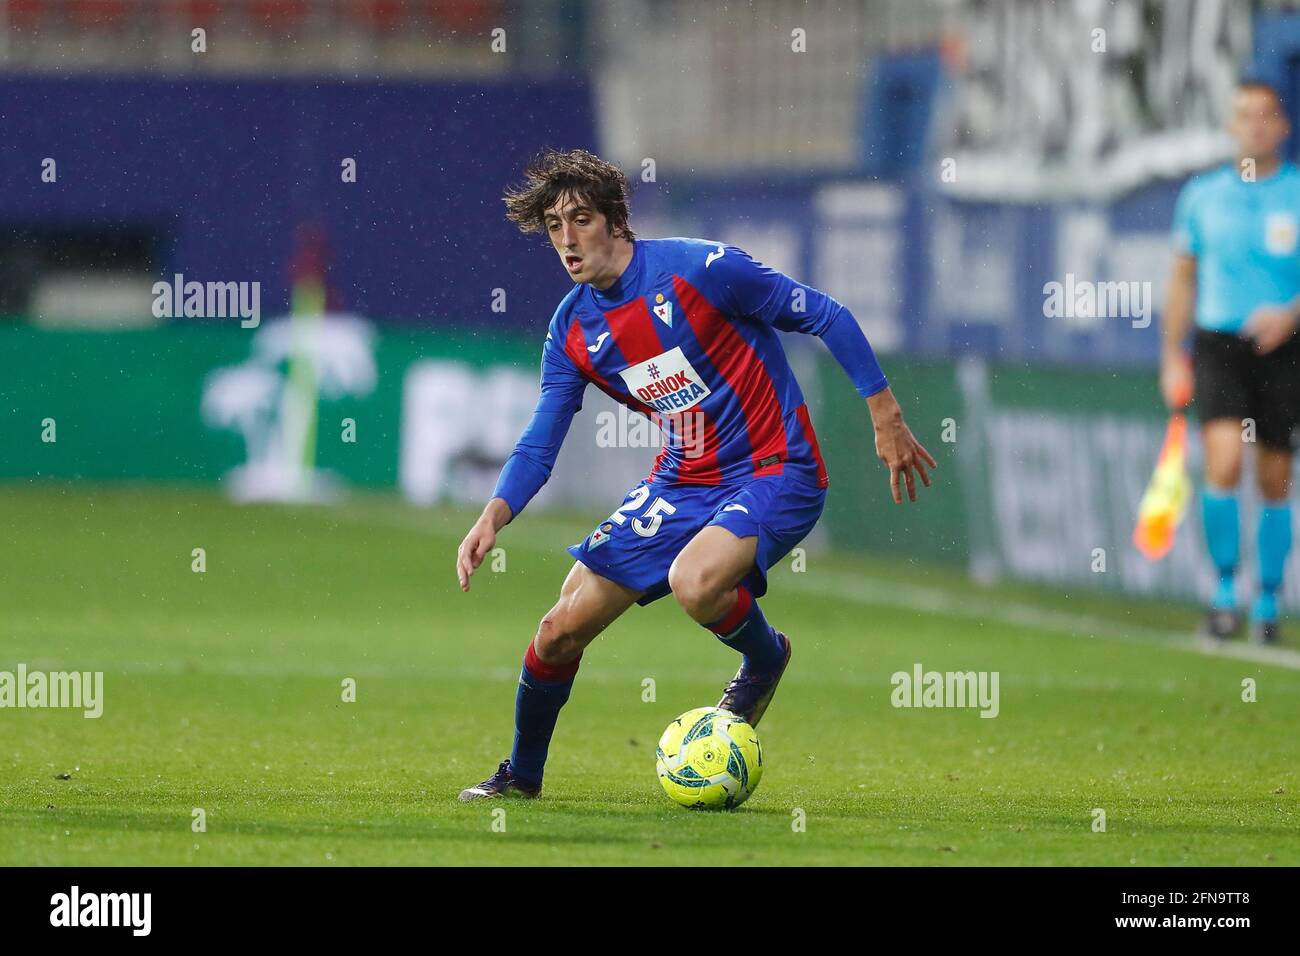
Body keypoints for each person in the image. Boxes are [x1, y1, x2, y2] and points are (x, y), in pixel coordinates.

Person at [456, 149, 934, 800]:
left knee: (695, 581)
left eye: (580, 220)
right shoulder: (572, 329)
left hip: (777, 467)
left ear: (616, 221)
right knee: (558, 629)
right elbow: (543, 435)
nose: (566, 240)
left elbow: (825, 313)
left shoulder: (703, 271)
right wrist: (495, 513)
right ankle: (522, 777)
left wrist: (885, 412)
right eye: (553, 227)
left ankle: (765, 656)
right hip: (683, 480)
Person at [1161, 81, 1300, 645]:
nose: (1254, 126)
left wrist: (1291, 313)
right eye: (1244, 115)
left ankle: (1267, 600)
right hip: (1219, 345)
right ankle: (1223, 594)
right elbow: (1182, 280)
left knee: (1275, 476)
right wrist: (1173, 355)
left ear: (1283, 127)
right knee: (1222, 462)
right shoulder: (1202, 195)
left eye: (1265, 116)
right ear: (1230, 125)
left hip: (1285, 348)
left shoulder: (1295, 192)